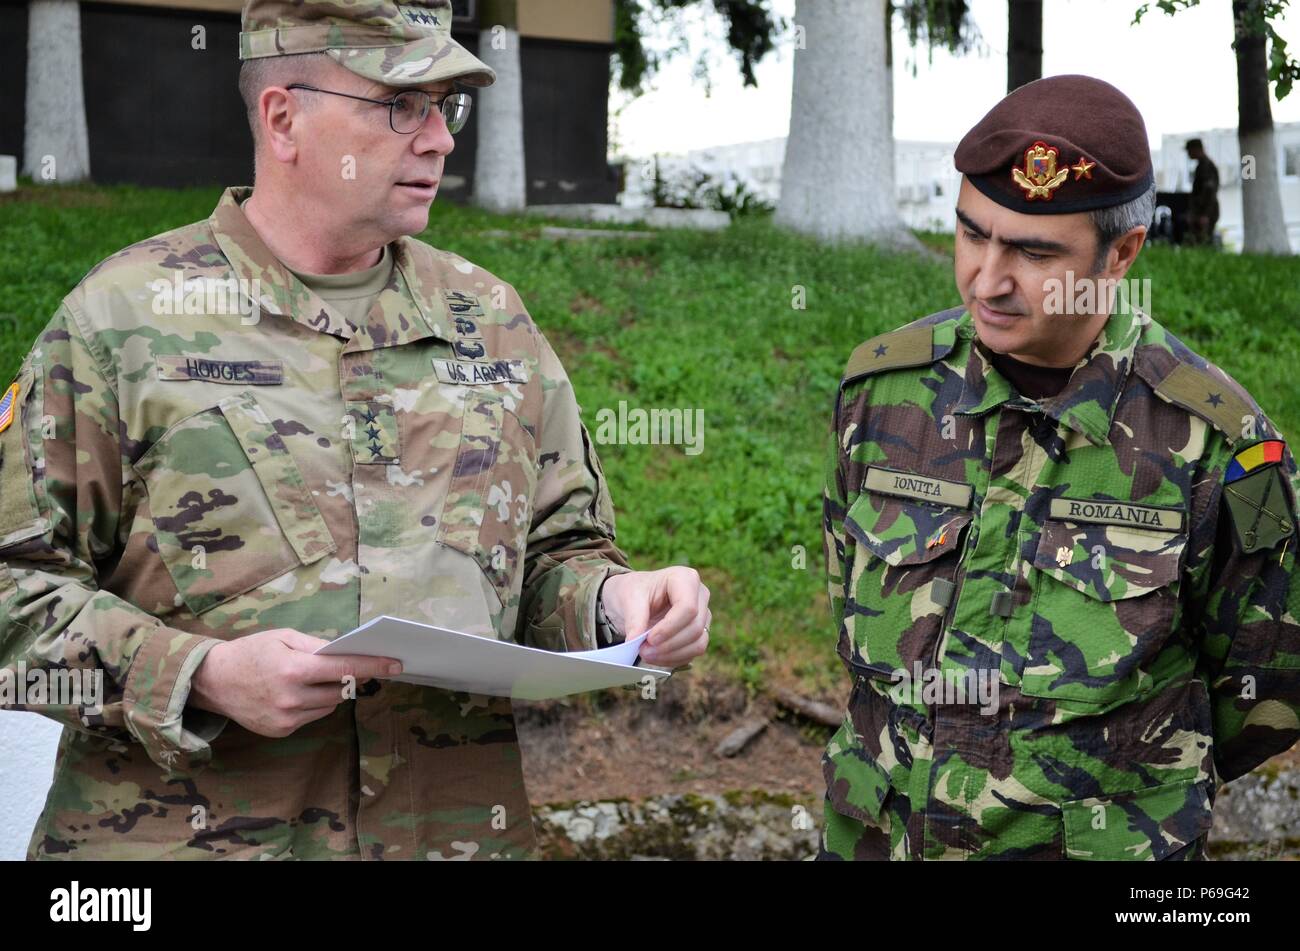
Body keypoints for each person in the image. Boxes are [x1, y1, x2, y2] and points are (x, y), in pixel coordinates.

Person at [0, 0, 710, 860]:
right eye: (400, 105)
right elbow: (13, 593)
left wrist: (615, 608)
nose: (440, 140)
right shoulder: (123, 320)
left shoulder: (490, 320)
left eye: (445, 107)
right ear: (283, 116)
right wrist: (198, 675)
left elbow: (556, 553)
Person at [818, 74, 1300, 861]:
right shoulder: (883, 393)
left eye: (1034, 252)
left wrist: (1111, 787)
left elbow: (1267, 691)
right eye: (973, 234)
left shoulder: (1222, 447)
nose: (989, 279)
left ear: (1122, 254)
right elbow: (849, 605)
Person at [1185, 138, 1220, 246]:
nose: (1188, 154)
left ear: (1197, 149)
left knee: (1202, 242)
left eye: (1189, 150)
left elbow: (1209, 192)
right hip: (1203, 212)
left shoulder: (1206, 166)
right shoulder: (1202, 165)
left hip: (1205, 212)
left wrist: (1204, 214)